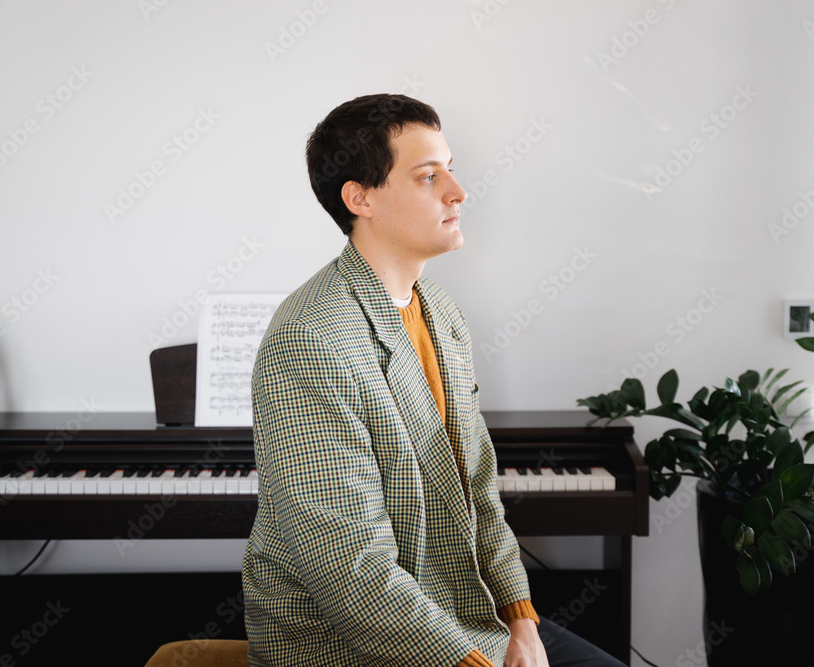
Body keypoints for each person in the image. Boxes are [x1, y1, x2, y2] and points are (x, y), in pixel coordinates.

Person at [241, 94, 623, 667]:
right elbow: (347, 566)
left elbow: (477, 481)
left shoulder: (440, 310)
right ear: (359, 198)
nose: (457, 191)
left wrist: (521, 619)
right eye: (427, 176)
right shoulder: (309, 339)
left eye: (451, 167)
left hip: (471, 617)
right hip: (347, 648)